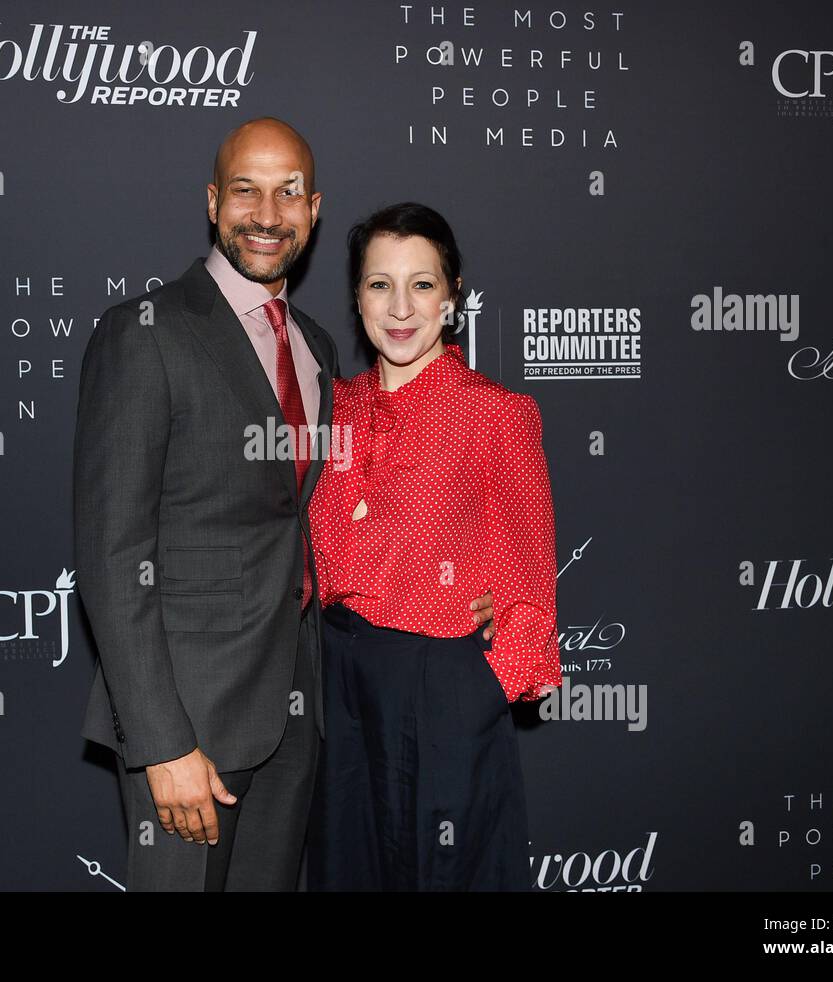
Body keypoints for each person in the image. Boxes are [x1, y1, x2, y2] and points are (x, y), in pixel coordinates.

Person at [73, 119, 499, 891]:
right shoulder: (145, 333)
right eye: (245, 189)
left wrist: (467, 586)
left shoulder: (316, 346)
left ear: (314, 210)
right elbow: (111, 553)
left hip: (297, 722)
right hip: (187, 725)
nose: (267, 212)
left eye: (288, 192)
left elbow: (333, 518)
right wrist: (159, 743)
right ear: (212, 202)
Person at [306, 202, 563, 891]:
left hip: (441, 686)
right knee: (346, 870)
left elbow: (529, 572)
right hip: (337, 683)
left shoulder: (494, 413)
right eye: (379, 283)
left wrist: (482, 685)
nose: (400, 306)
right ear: (356, 295)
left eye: (422, 284)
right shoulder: (333, 407)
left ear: (452, 296)